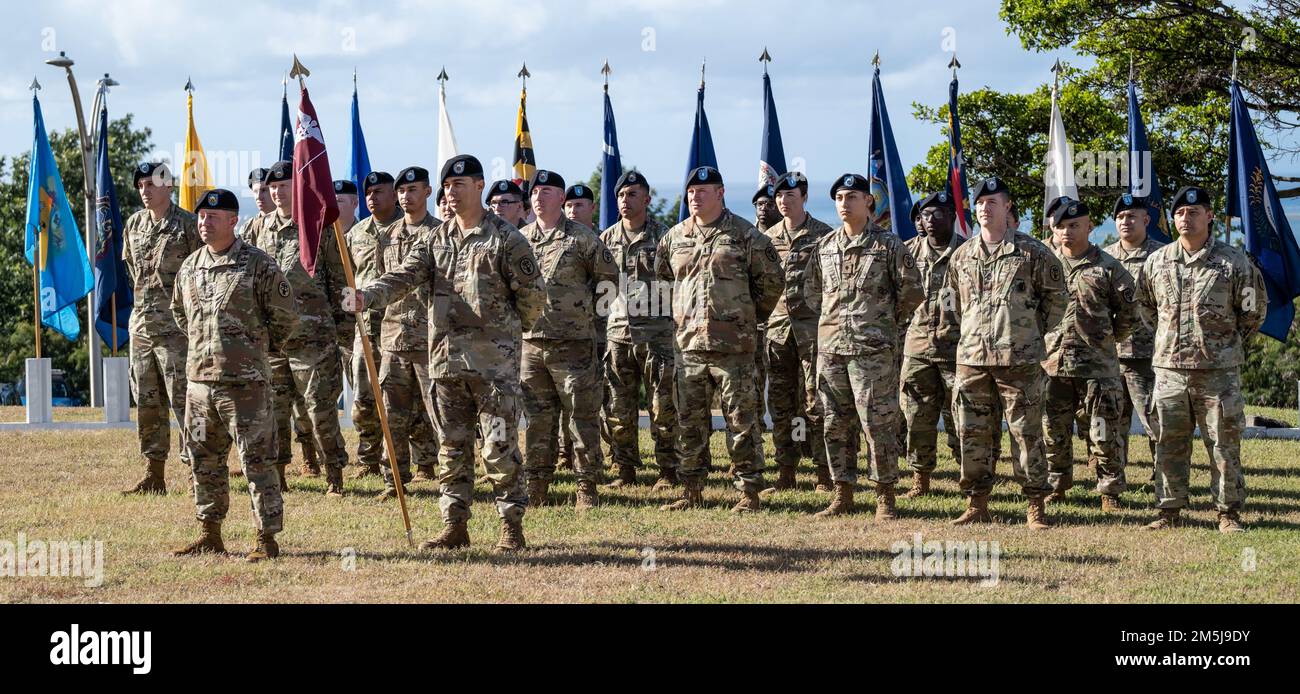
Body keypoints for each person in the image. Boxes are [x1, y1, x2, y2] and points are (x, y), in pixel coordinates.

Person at [347, 154, 547, 552]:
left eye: (459, 185)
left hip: (493, 367)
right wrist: (368, 296)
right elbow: (404, 276)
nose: (451, 192)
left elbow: (534, 298)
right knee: (452, 447)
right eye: (447, 187)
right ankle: (454, 524)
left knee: (499, 446)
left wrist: (503, 337)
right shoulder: (435, 240)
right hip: (446, 363)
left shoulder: (507, 239)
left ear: (478, 186)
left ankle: (511, 526)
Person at [170, 189, 300, 561]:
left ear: (233, 221)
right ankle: (210, 532)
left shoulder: (257, 265)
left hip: (244, 385)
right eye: (200, 218)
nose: (204, 223)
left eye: (213, 217)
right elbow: (181, 314)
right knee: (202, 458)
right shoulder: (190, 266)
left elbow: (286, 316)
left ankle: (266, 537)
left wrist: (256, 351)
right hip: (199, 384)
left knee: (256, 460)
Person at [655, 166, 784, 512]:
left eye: (703, 191)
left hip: (734, 348)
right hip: (689, 347)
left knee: (741, 422)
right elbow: (665, 281)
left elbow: (771, 282)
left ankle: (749, 492)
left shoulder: (746, 235)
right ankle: (691, 490)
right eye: (691, 192)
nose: (695, 197)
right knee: (689, 422)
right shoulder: (674, 237)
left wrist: (745, 316)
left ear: (721, 192)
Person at [1138, 186, 1267, 533]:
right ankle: (1169, 510)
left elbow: (1253, 312)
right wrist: (1169, 340)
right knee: (1168, 442)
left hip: (1217, 372)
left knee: (1223, 445)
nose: (1186, 218)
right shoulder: (1157, 261)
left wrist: (1223, 343)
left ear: (1209, 216)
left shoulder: (1234, 262)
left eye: (1194, 212)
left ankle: (1228, 513)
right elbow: (1146, 306)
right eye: (1180, 213)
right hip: (1170, 371)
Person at [946, 177, 1067, 529]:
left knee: (1026, 434)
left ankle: (1034, 505)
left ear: (1007, 206)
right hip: (972, 359)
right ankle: (977, 503)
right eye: (980, 203)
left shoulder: (1032, 253)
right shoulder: (962, 255)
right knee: (972, 433)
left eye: (992, 202)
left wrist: (1029, 332)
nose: (984, 208)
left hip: (1019, 360)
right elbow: (954, 304)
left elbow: (1057, 300)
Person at [805, 174, 924, 520]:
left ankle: (885, 495)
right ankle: (843, 492)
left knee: (877, 423)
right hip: (831, 351)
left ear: (868, 202)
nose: (844, 203)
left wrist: (882, 324)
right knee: (834, 423)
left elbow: (912, 292)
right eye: (840, 197)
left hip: (872, 351)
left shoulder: (888, 246)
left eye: (852, 197)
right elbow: (814, 293)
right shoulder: (825, 246)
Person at [242, 160, 355, 495]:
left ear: (298, 186)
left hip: (314, 337)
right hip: (273, 339)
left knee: (320, 409)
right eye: (272, 187)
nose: (277, 193)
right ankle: (278, 472)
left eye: (284, 185)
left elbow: (340, 280)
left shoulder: (317, 226)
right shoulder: (257, 229)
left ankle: (333, 469)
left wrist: (345, 330)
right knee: (274, 412)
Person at [519, 170, 619, 510]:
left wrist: (592, 319)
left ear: (561, 199)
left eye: (547, 192)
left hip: (574, 343)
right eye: (535, 192)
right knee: (537, 418)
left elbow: (609, 282)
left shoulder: (582, 238)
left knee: (581, 416)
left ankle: (585, 486)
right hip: (531, 344)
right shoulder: (520, 239)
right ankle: (536, 485)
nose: (539, 197)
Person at [1041, 199, 1139, 511]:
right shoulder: (1044, 266)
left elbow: (1130, 315)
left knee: (1103, 431)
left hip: (1098, 367)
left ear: (1089, 227)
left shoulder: (1109, 268)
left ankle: (1109, 491)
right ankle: (1056, 484)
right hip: (1052, 365)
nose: (1066, 231)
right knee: (1053, 431)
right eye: (1061, 226)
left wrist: (1105, 342)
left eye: (1074, 225)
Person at [120, 162, 201, 495]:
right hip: (142, 327)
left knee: (187, 402)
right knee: (147, 402)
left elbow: (202, 272)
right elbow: (132, 271)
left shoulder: (189, 225)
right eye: (140, 185)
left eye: (151, 184)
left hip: (178, 331)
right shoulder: (134, 224)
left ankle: (199, 469)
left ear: (169, 186)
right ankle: (154, 473)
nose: (145, 191)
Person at [600, 170, 678, 489]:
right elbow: (599, 288)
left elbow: (680, 283)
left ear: (646, 199)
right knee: (619, 406)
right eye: (621, 195)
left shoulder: (665, 237)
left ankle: (668, 471)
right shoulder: (605, 239)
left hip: (657, 336)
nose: (625, 200)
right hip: (618, 334)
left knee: (662, 405)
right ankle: (625, 470)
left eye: (632, 194)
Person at [372, 166, 443, 499]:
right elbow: (381, 281)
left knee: (441, 415)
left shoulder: (441, 233)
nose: (405, 196)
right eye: (400, 191)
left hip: (431, 340)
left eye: (412, 190)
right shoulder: (388, 235)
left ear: (428, 192)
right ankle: (394, 481)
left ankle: (451, 480)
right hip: (394, 339)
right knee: (392, 416)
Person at [763, 172, 834, 492]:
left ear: (804, 197)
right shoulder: (766, 238)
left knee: (816, 402)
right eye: (779, 196)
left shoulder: (824, 236)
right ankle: (786, 470)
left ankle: (823, 472)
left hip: (813, 332)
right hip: (777, 333)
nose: (783, 201)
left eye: (790, 196)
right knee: (782, 405)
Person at [899, 191, 963, 498]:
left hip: (959, 350)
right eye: (926, 215)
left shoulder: (968, 252)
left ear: (952, 216)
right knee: (917, 418)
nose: (932, 220)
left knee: (962, 418)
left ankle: (970, 480)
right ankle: (920, 480)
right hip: (918, 349)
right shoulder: (906, 252)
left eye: (939, 213)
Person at [1102, 194, 1168, 488]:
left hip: (1147, 354)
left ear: (1146, 220)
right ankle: (1114, 478)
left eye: (1132, 217)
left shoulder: (1162, 256)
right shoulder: (1103, 257)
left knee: (1155, 420)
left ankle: (1162, 477)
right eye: (1120, 217)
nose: (1125, 222)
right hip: (1108, 355)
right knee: (1112, 423)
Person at [344, 171, 399, 479]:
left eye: (379, 192)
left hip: (401, 326)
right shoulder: (357, 234)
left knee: (401, 398)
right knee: (364, 397)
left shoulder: (412, 230)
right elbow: (346, 279)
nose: (372, 198)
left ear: (394, 194)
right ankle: (368, 459)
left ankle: (421, 461)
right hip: (365, 327)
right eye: (368, 193)